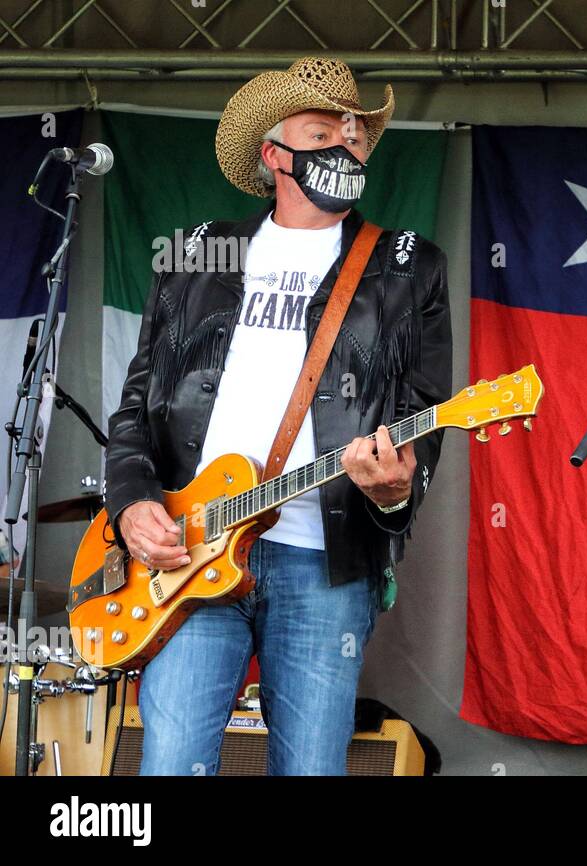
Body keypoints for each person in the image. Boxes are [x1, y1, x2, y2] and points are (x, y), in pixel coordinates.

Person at [104, 56, 453, 775]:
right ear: (274, 153)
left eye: (355, 137)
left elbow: (424, 421)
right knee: (170, 766)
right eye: (323, 131)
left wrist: (393, 494)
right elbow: (137, 404)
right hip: (190, 556)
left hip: (323, 568)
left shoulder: (406, 265)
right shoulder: (199, 253)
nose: (346, 147)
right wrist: (132, 503)